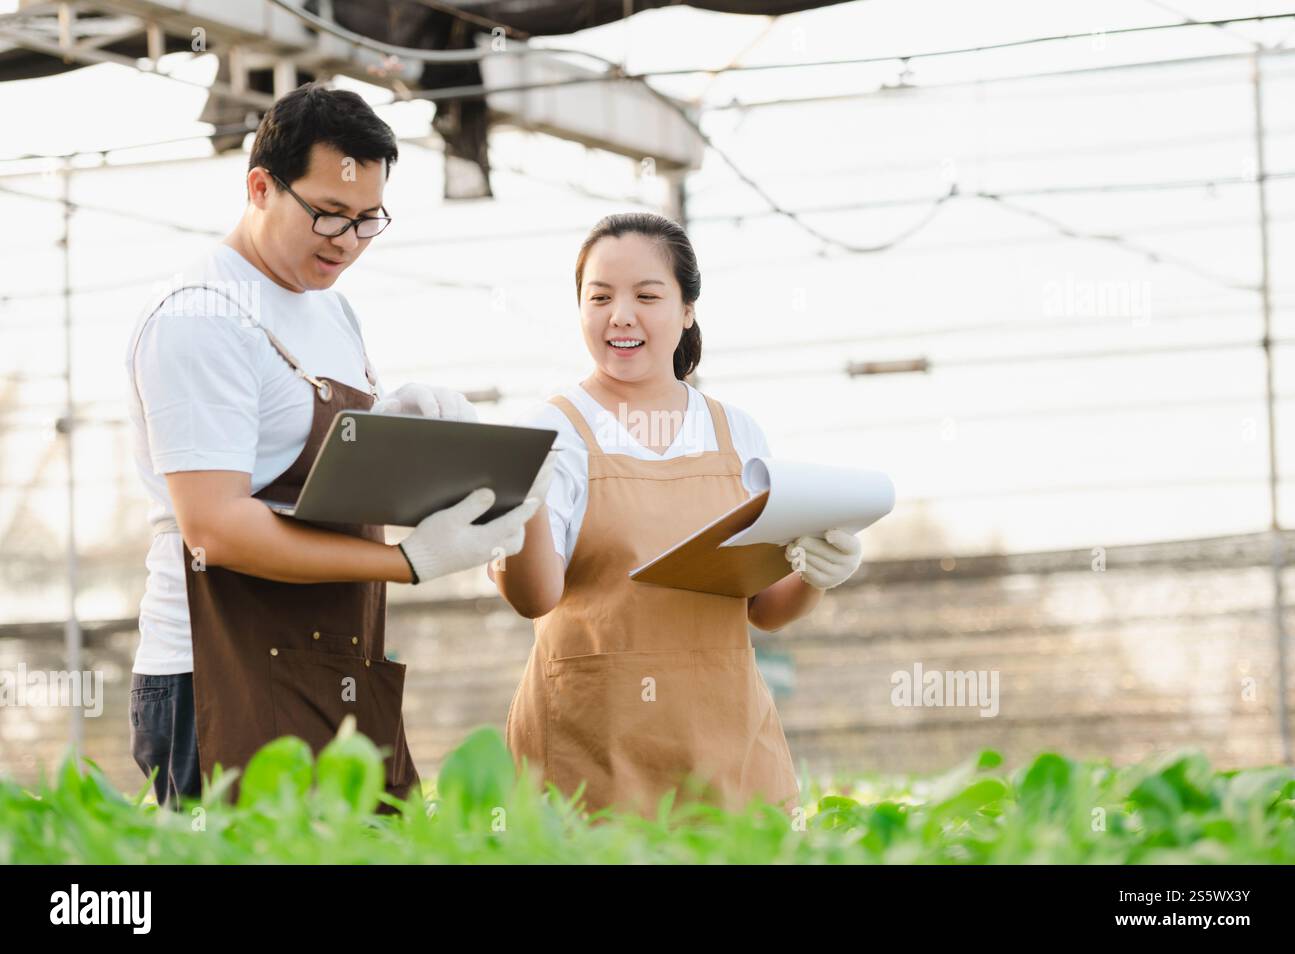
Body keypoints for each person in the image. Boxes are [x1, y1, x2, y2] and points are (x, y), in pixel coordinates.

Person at [124, 81, 546, 811]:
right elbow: (216, 527)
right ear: (260, 186)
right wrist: (405, 561)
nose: (347, 241)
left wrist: (399, 428)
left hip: (334, 658)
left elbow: (313, 467)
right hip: (219, 674)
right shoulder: (203, 318)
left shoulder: (332, 309)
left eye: (366, 219)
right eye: (327, 213)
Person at [489, 211, 861, 818]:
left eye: (647, 296)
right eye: (600, 297)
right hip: (591, 755)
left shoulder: (736, 432)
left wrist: (816, 572)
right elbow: (534, 597)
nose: (621, 315)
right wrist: (516, 505)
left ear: (687, 309)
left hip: (728, 753)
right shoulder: (548, 430)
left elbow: (764, 610)